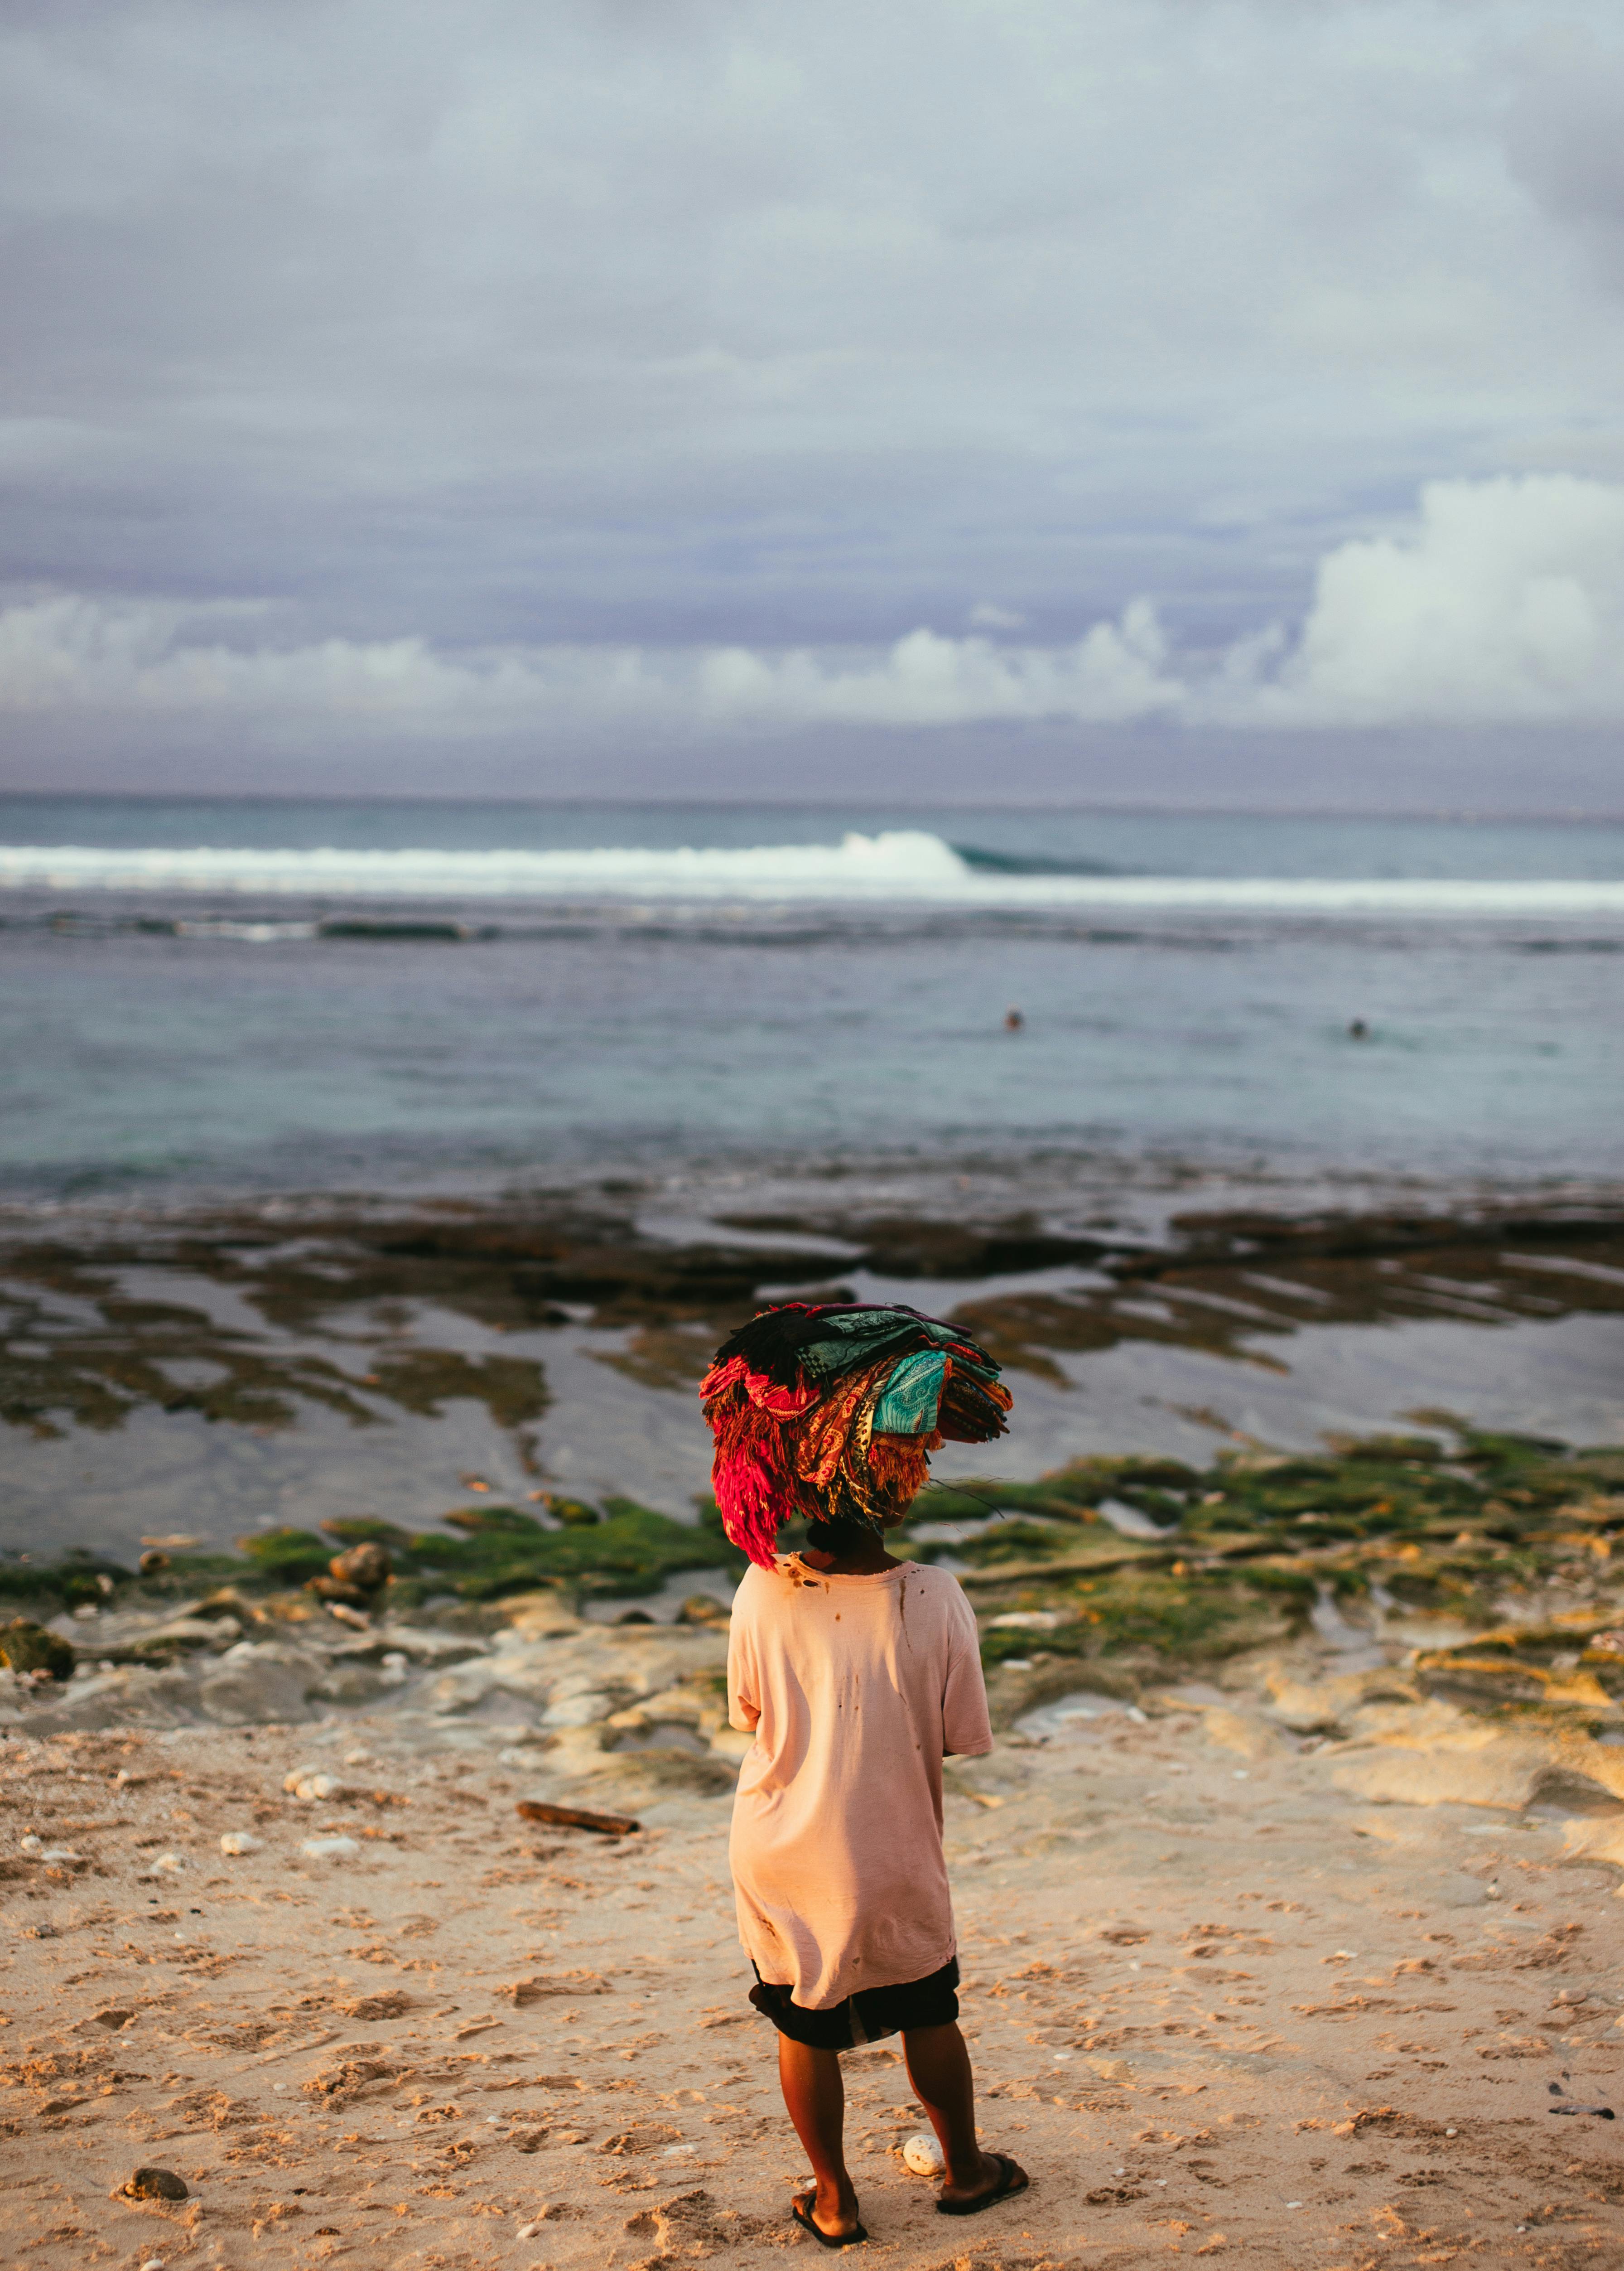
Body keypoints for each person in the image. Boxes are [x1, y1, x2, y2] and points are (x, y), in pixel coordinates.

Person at [700, 1301, 1030, 2246]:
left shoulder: (761, 1587)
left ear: (800, 1493)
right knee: (928, 2009)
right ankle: (965, 2172)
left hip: (777, 1847)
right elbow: (961, 1732)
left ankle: (836, 2200)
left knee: (803, 2026)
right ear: (897, 1484)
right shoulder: (931, 1594)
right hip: (888, 1847)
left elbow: (751, 1717)